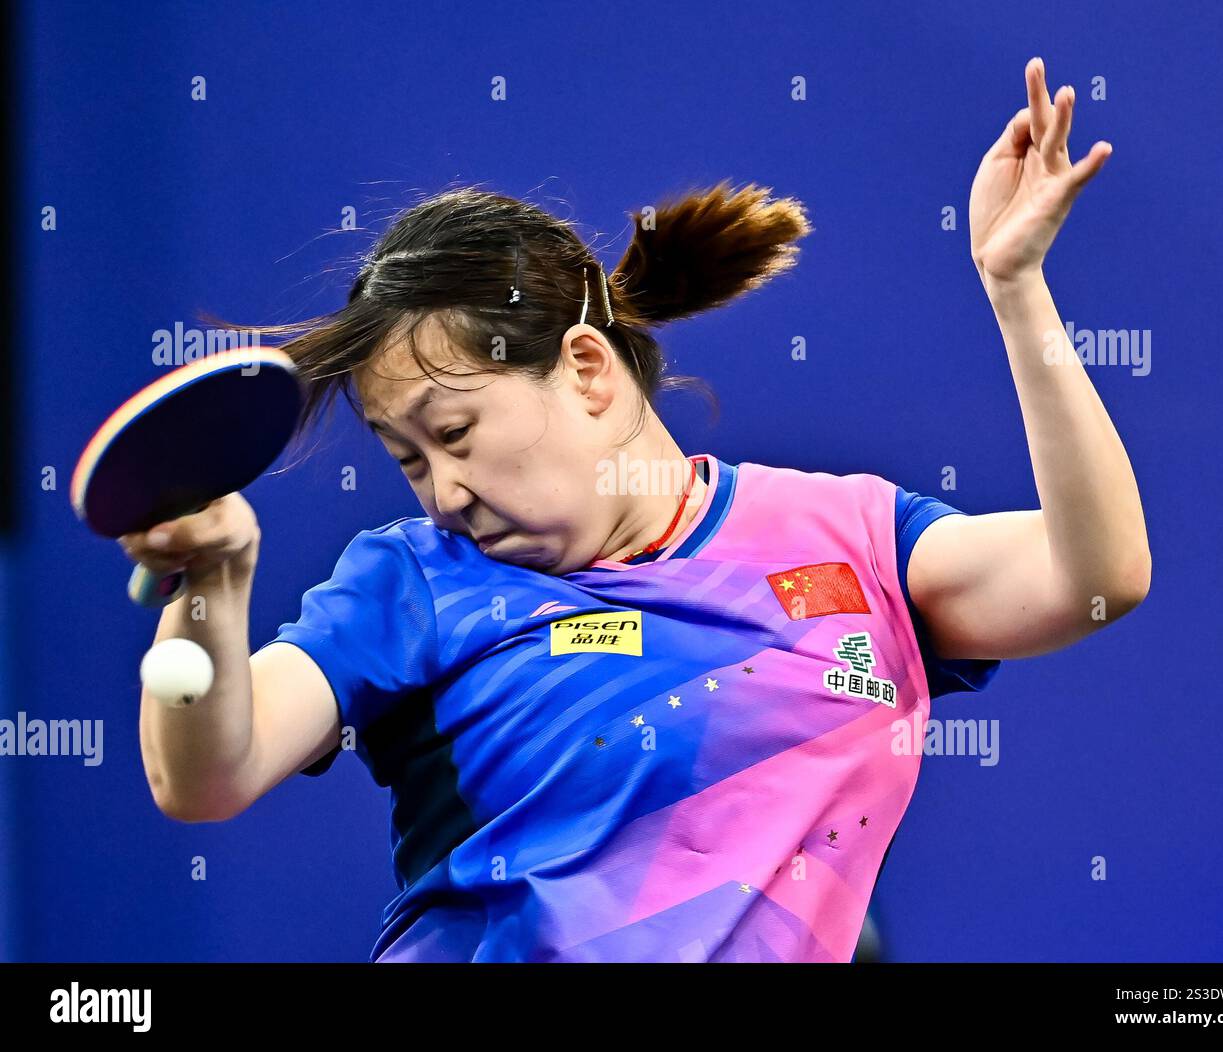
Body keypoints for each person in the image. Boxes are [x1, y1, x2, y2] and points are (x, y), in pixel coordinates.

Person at [126, 57, 1149, 962]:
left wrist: (1017, 289)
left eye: (459, 433)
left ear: (585, 370)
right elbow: (209, 773)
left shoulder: (853, 542)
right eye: (406, 460)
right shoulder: (417, 579)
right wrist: (209, 587)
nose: (444, 490)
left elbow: (1094, 581)